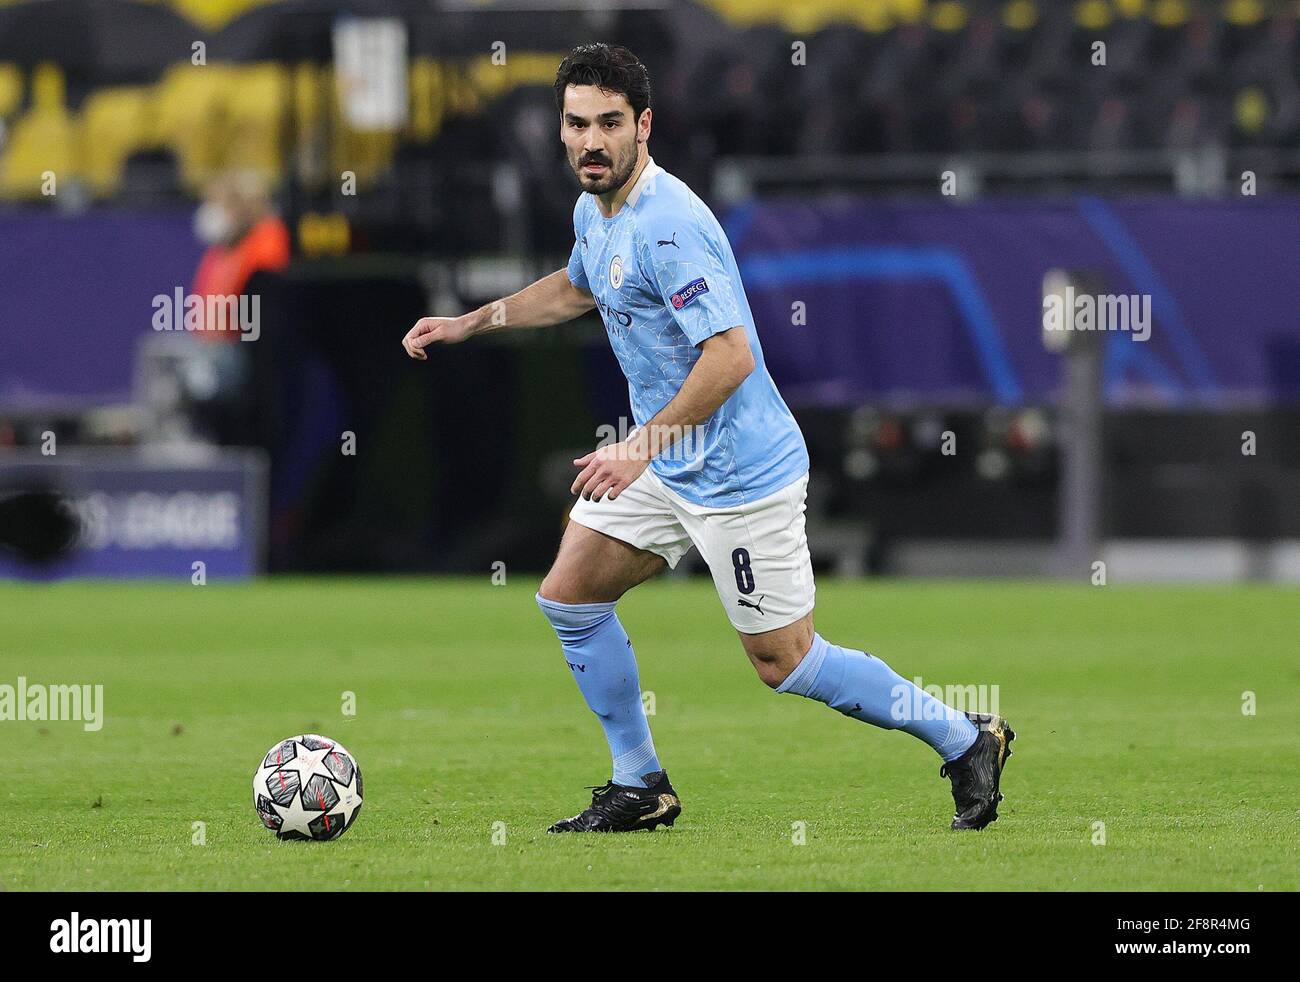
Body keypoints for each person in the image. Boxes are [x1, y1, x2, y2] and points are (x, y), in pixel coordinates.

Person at [401, 44, 1014, 833]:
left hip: (737, 473)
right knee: (570, 596)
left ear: (644, 126)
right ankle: (640, 785)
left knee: (785, 663)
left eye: (610, 124)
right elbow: (577, 286)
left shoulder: (669, 225)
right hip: (672, 459)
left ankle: (966, 738)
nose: (592, 141)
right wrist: (470, 322)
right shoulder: (597, 209)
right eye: (577, 123)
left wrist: (636, 449)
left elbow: (731, 355)